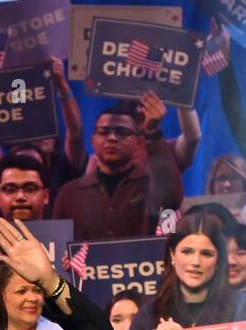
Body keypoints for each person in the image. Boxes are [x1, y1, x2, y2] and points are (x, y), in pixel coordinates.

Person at [51, 98, 184, 240]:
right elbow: (57, 246)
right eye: (104, 132)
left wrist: (153, 132)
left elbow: (172, 201)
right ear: (93, 141)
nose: (112, 138)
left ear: (138, 142)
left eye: (122, 132)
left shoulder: (151, 185)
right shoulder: (70, 193)